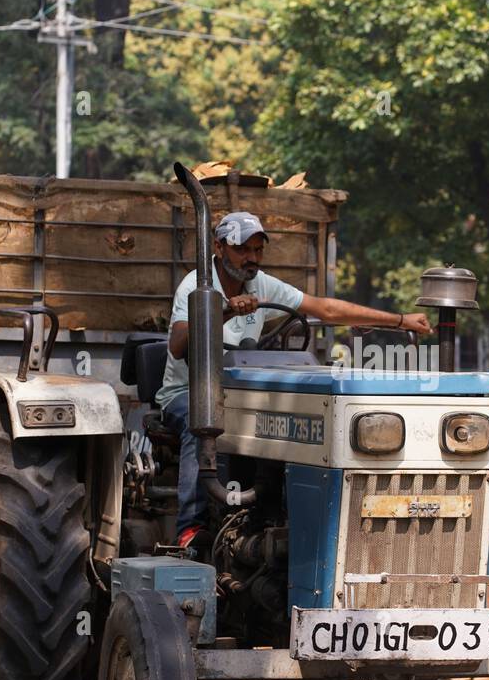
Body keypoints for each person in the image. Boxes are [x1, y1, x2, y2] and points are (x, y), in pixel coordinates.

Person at [156, 210, 432, 549]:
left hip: (240, 395)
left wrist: (400, 320)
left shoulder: (260, 284)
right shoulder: (196, 285)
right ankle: (191, 530)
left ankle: (277, 520)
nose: (252, 258)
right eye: (243, 249)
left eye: (258, 250)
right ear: (218, 247)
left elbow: (325, 310)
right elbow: (179, 344)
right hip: (190, 392)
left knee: (284, 418)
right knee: (201, 418)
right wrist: (225, 309)